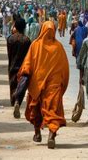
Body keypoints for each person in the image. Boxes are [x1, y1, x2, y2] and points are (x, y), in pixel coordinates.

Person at [17, 21, 69, 149]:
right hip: (54, 86)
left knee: (36, 109)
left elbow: (28, 64)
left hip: (37, 84)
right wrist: (63, 84)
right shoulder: (58, 47)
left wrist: (24, 75)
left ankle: (37, 133)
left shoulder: (35, 45)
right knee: (53, 110)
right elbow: (65, 70)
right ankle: (51, 134)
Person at [7, 19, 32, 110]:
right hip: (23, 66)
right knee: (21, 84)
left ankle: (13, 101)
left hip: (12, 64)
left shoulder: (10, 38)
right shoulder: (27, 40)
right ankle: (18, 100)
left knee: (13, 83)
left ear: (15, 27)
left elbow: (9, 53)